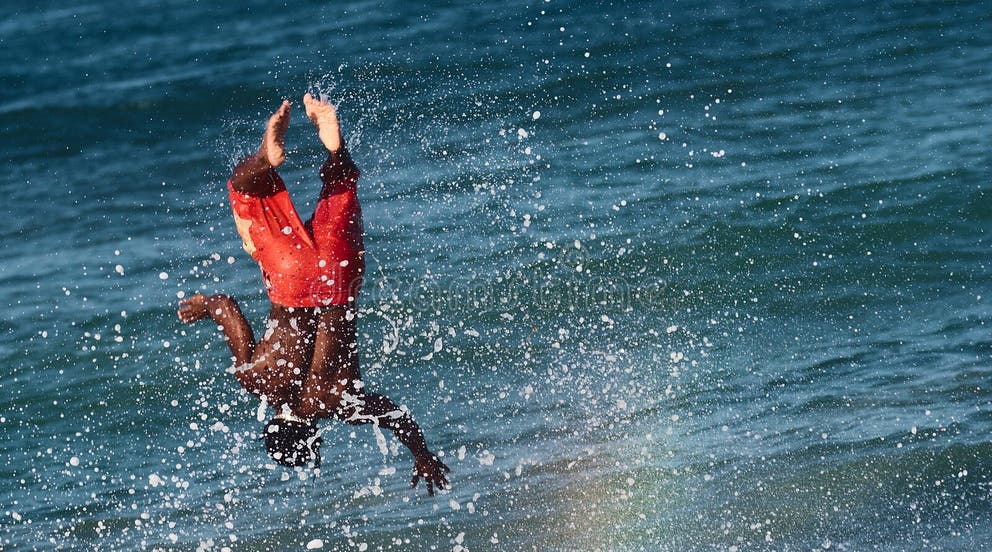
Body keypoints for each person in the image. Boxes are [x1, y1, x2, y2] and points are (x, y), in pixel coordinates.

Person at [177, 95, 450, 495]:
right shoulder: (255, 379)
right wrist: (204, 306)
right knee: (244, 190)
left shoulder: (338, 404)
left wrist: (422, 455)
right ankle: (264, 160)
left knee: (342, 187)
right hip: (291, 280)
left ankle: (335, 148)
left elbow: (397, 416)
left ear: (313, 436)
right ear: (272, 423)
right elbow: (226, 307)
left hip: (338, 280)